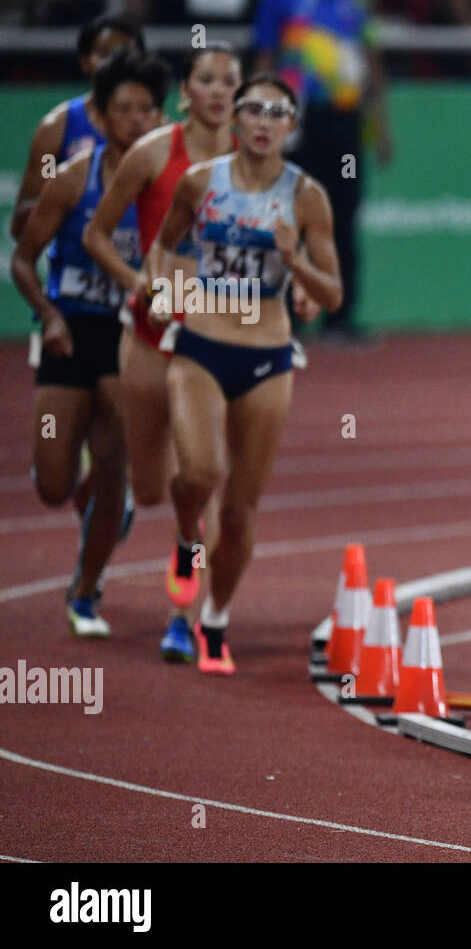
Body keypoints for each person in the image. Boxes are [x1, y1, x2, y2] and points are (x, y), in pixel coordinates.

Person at [149, 73, 342, 674]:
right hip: (202, 345)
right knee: (196, 475)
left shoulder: (307, 196)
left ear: (292, 125)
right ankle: (186, 539)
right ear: (234, 120)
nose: (263, 122)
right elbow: (165, 244)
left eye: (276, 112)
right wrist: (163, 286)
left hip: (267, 358)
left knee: (238, 510)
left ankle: (212, 619)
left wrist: (294, 264)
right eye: (253, 110)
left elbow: (332, 294)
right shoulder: (199, 182)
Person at [84, 44, 243, 663]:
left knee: (198, 479)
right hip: (149, 339)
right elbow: (97, 233)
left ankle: (183, 611)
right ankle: (162, 512)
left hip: (215, 341)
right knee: (152, 485)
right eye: (207, 79)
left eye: (231, 81)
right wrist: (138, 285)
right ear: (185, 92)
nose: (220, 90)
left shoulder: (254, 165)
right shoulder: (154, 154)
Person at [9, 48, 167, 636]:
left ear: (160, 116)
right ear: (99, 117)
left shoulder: (171, 189)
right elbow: (23, 259)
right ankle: (94, 501)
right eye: (122, 109)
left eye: (146, 109)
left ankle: (86, 589)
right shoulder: (74, 178)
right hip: (71, 335)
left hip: (129, 340)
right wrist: (47, 313)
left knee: (112, 463)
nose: (135, 120)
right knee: (54, 483)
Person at [252, 0, 393, 341]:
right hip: (298, 126)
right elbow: (265, 59)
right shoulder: (278, 1)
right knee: (290, 217)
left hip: (345, 125)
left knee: (342, 215)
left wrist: (383, 126)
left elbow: (371, 60)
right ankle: (287, 316)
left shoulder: (356, 3)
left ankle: (340, 317)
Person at [9, 14, 145, 240]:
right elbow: (22, 224)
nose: (115, 63)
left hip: (141, 272)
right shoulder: (56, 129)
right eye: (104, 54)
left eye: (125, 53)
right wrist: (72, 200)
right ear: (84, 62)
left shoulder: (159, 131)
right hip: (76, 263)